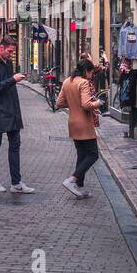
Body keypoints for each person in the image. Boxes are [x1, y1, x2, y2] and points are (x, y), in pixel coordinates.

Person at [0, 38, 34, 194]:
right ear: (1, 48)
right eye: (9, 51)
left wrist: (13, 80)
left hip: (11, 108)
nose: (11, 55)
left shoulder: (8, 62)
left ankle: (16, 183)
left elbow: (6, 84)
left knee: (15, 144)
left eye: (13, 52)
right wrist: (13, 79)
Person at [57, 58, 101, 198]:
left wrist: (72, 105)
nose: (91, 76)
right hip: (84, 124)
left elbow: (59, 102)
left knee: (81, 155)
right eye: (91, 73)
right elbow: (86, 104)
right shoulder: (84, 82)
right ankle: (73, 179)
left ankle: (79, 186)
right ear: (87, 71)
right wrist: (98, 102)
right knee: (93, 154)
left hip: (72, 123)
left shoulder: (67, 81)